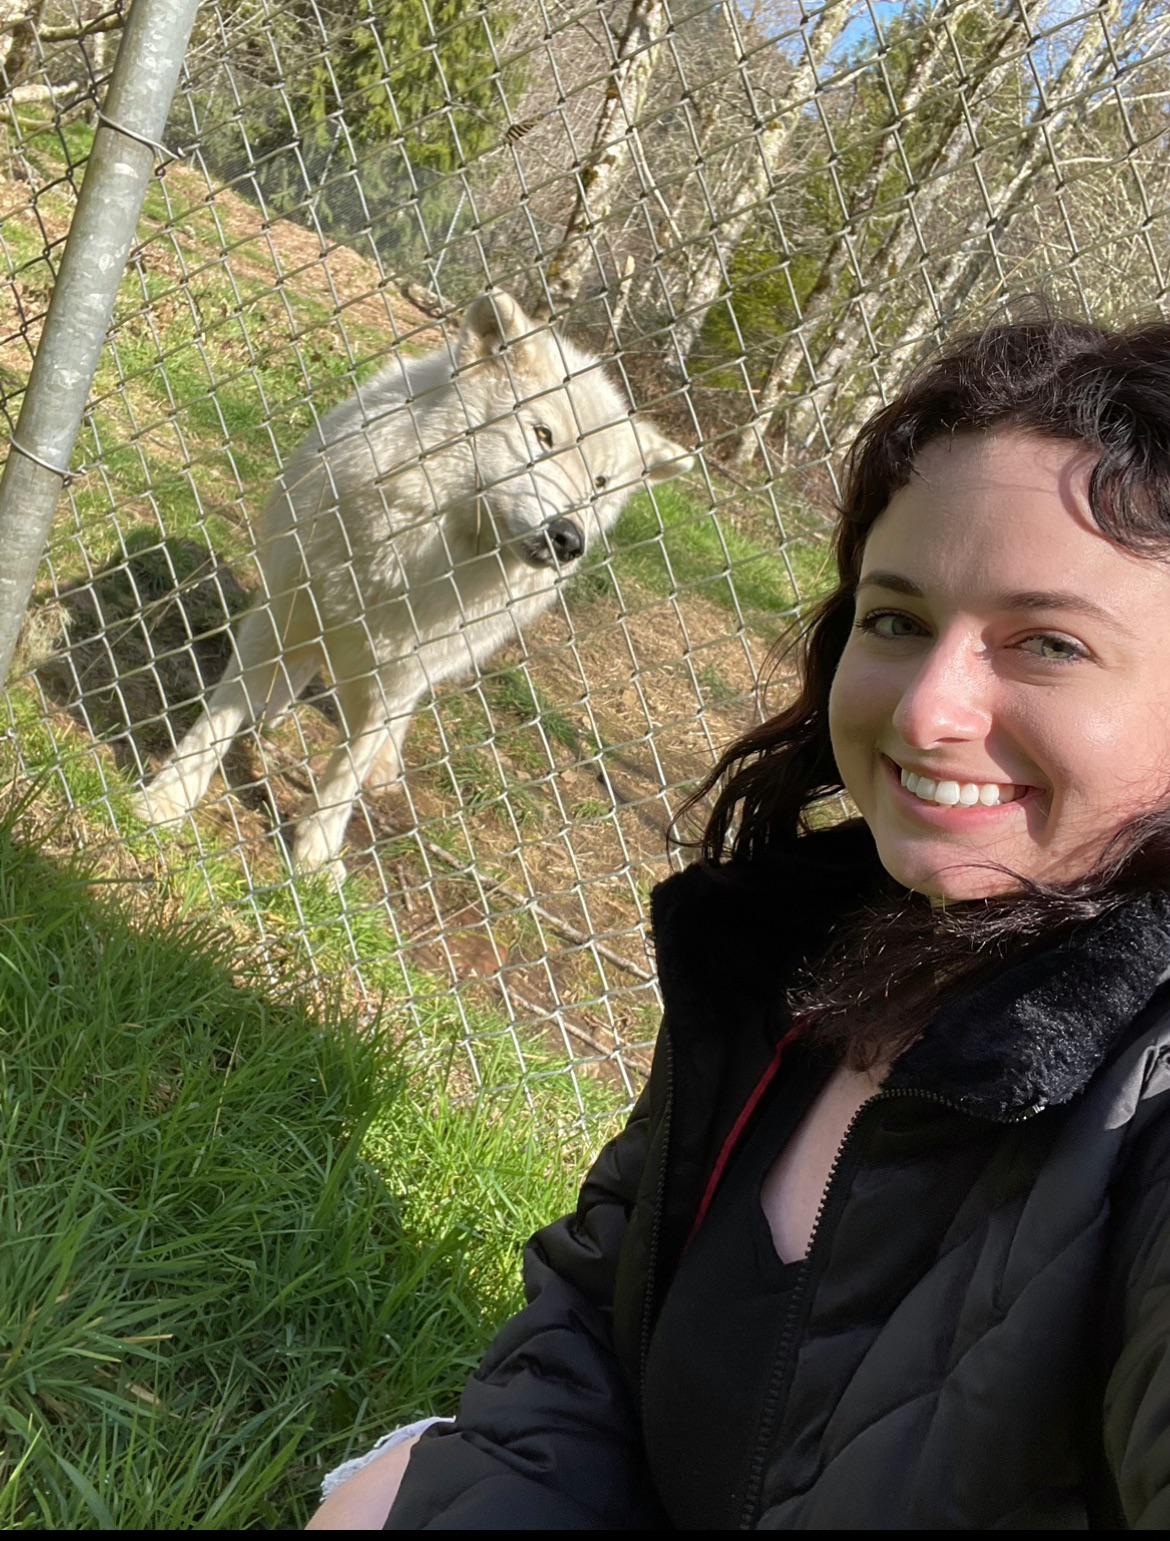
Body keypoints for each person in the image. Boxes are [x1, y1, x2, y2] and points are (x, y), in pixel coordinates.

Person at [308, 313, 1170, 1530]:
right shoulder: (796, 943)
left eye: (1050, 643)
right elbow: (595, 1316)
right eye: (897, 618)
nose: (927, 712)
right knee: (377, 1497)